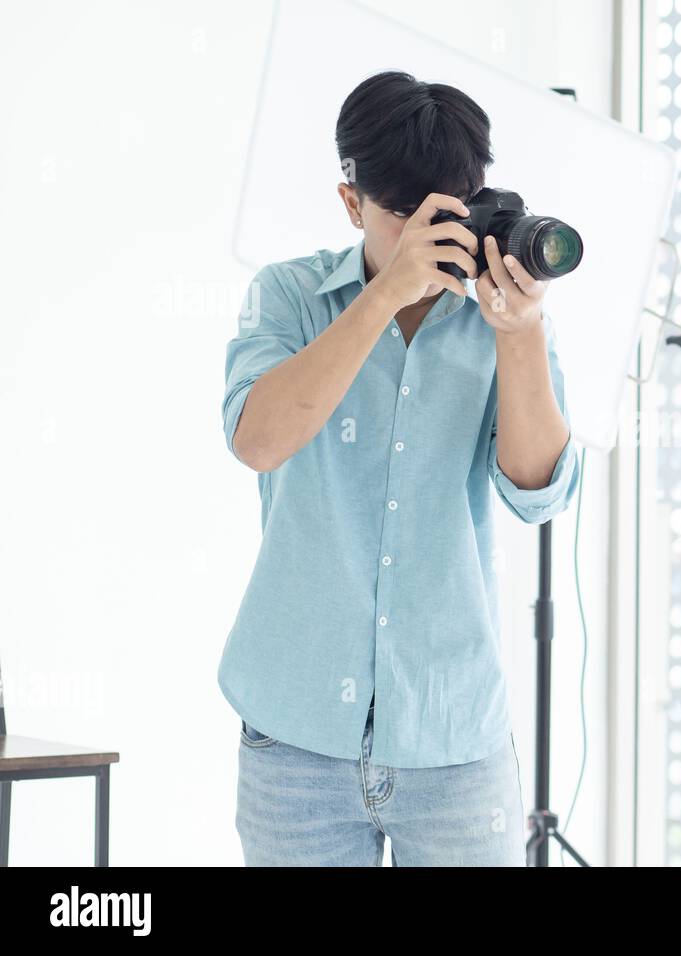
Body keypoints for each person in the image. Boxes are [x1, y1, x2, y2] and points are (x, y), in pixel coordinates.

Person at [218, 71, 580, 866]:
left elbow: (537, 490)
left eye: (451, 208)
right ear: (352, 204)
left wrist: (520, 332)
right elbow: (259, 441)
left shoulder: (501, 314)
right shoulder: (289, 297)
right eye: (406, 218)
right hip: (294, 738)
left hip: (452, 737)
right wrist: (383, 296)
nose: (437, 236)